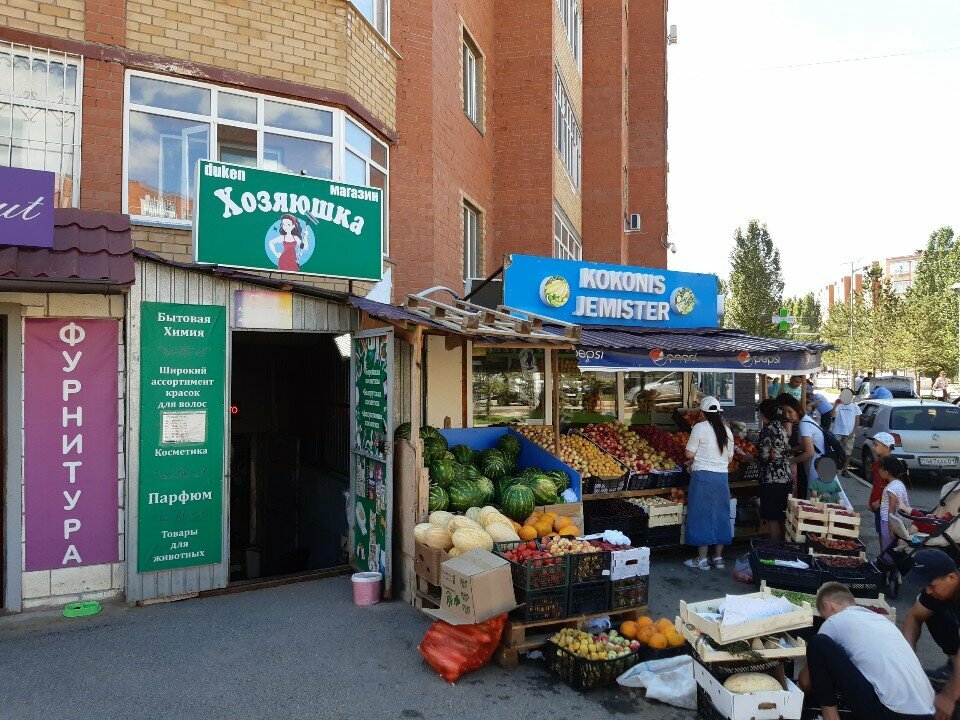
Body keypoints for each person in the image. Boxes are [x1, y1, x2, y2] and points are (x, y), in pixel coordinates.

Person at [798, 582, 935, 720]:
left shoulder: (835, 621)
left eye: (824, 616)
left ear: (829, 606)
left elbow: (806, 682)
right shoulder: (883, 622)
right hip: (928, 712)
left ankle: (830, 716)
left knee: (818, 642)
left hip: (891, 712)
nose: (825, 620)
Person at [903, 550, 960, 713]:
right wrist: (908, 664)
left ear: (951, 577)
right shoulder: (936, 592)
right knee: (930, 611)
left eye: (931, 585)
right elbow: (913, 617)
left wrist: (949, 695)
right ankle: (954, 668)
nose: (927, 591)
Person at [683, 396, 734, 571]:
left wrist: (695, 460)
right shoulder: (727, 431)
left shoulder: (699, 427)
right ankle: (718, 558)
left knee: (701, 515)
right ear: (719, 412)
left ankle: (702, 560)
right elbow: (729, 459)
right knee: (721, 515)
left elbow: (689, 454)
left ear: (703, 413)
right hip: (721, 478)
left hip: (703, 477)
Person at [755, 399, 792, 541]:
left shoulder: (767, 431)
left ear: (765, 413)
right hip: (785, 478)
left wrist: (750, 457)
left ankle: (776, 549)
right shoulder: (782, 428)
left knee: (773, 518)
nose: (759, 415)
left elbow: (764, 457)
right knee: (782, 516)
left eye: (760, 412)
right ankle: (784, 549)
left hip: (771, 479)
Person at [776, 393, 808, 498]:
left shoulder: (800, 422)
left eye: (789, 411)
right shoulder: (803, 420)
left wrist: (792, 459)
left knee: (799, 484)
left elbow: (788, 434)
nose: (787, 413)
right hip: (797, 452)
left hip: (798, 456)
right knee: (801, 484)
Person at [832, 389, 862, 477]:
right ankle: (836, 468)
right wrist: (835, 405)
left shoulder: (855, 407)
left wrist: (853, 432)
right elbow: (832, 415)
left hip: (849, 433)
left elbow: (857, 421)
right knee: (836, 451)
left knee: (848, 453)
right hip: (838, 432)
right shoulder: (839, 406)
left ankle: (844, 470)